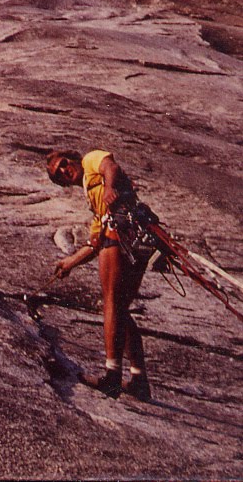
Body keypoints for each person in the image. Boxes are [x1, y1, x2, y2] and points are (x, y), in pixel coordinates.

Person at [45, 147, 152, 401]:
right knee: (121, 309)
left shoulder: (90, 160)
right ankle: (138, 380)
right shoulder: (92, 195)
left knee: (112, 304)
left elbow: (110, 166)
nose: (63, 171)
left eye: (62, 164)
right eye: (57, 175)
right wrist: (70, 262)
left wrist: (111, 188)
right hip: (133, 237)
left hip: (120, 234)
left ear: (72, 158)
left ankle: (112, 378)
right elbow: (95, 242)